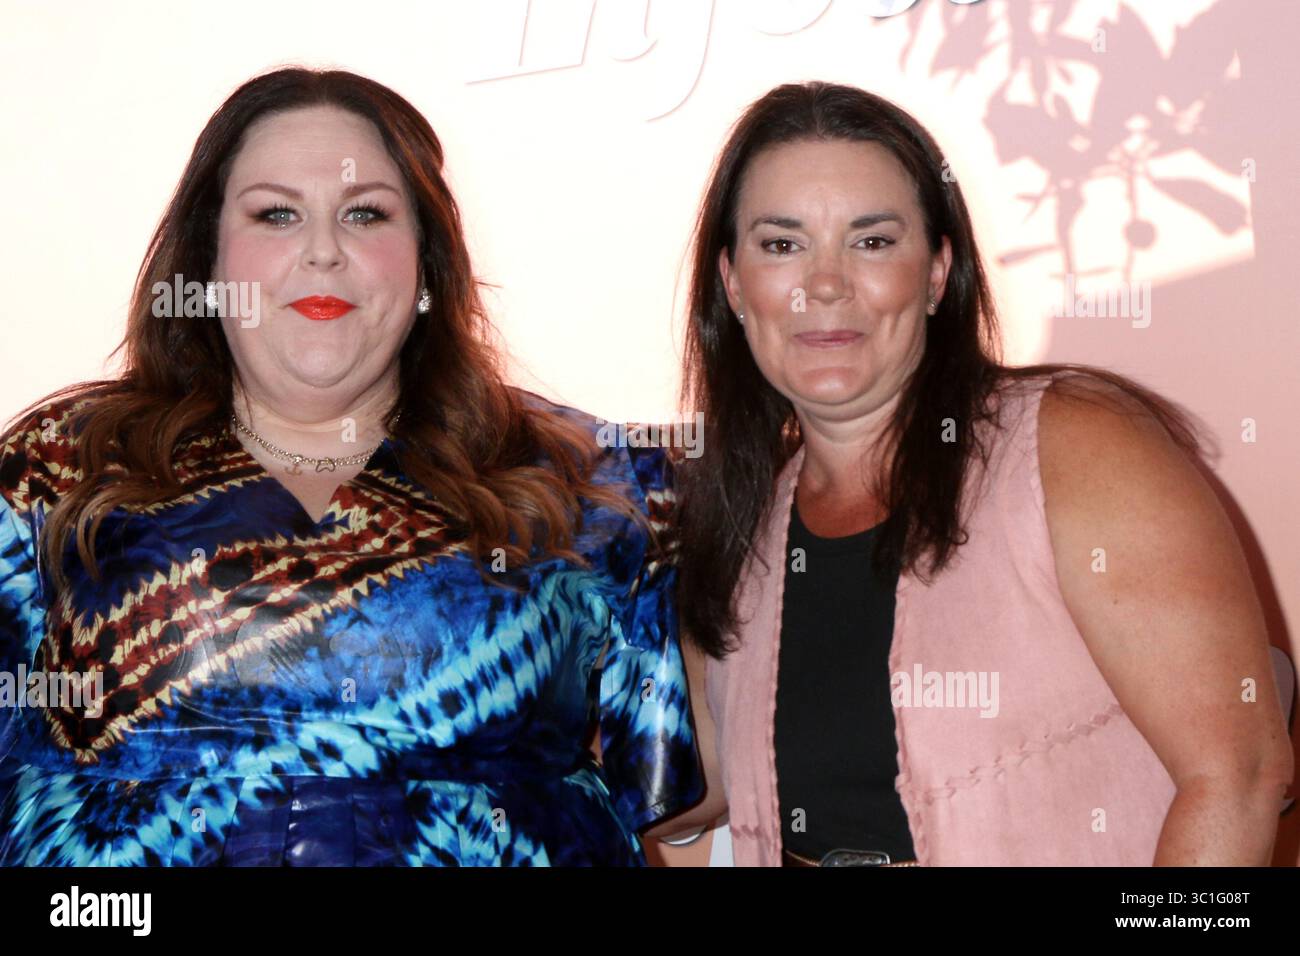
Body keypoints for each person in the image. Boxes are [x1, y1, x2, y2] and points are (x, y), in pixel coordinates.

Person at [0, 67, 702, 866]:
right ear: (208, 254)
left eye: (366, 213)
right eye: (276, 215)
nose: (324, 252)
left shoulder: (588, 480)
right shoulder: (56, 472)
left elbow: (660, 816)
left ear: (430, 260)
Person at [650, 81, 1292, 866]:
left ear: (936, 272)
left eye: (872, 241)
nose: (824, 284)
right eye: (782, 245)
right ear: (732, 284)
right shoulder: (740, 525)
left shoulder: (1074, 442)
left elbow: (1241, 774)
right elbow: (694, 791)